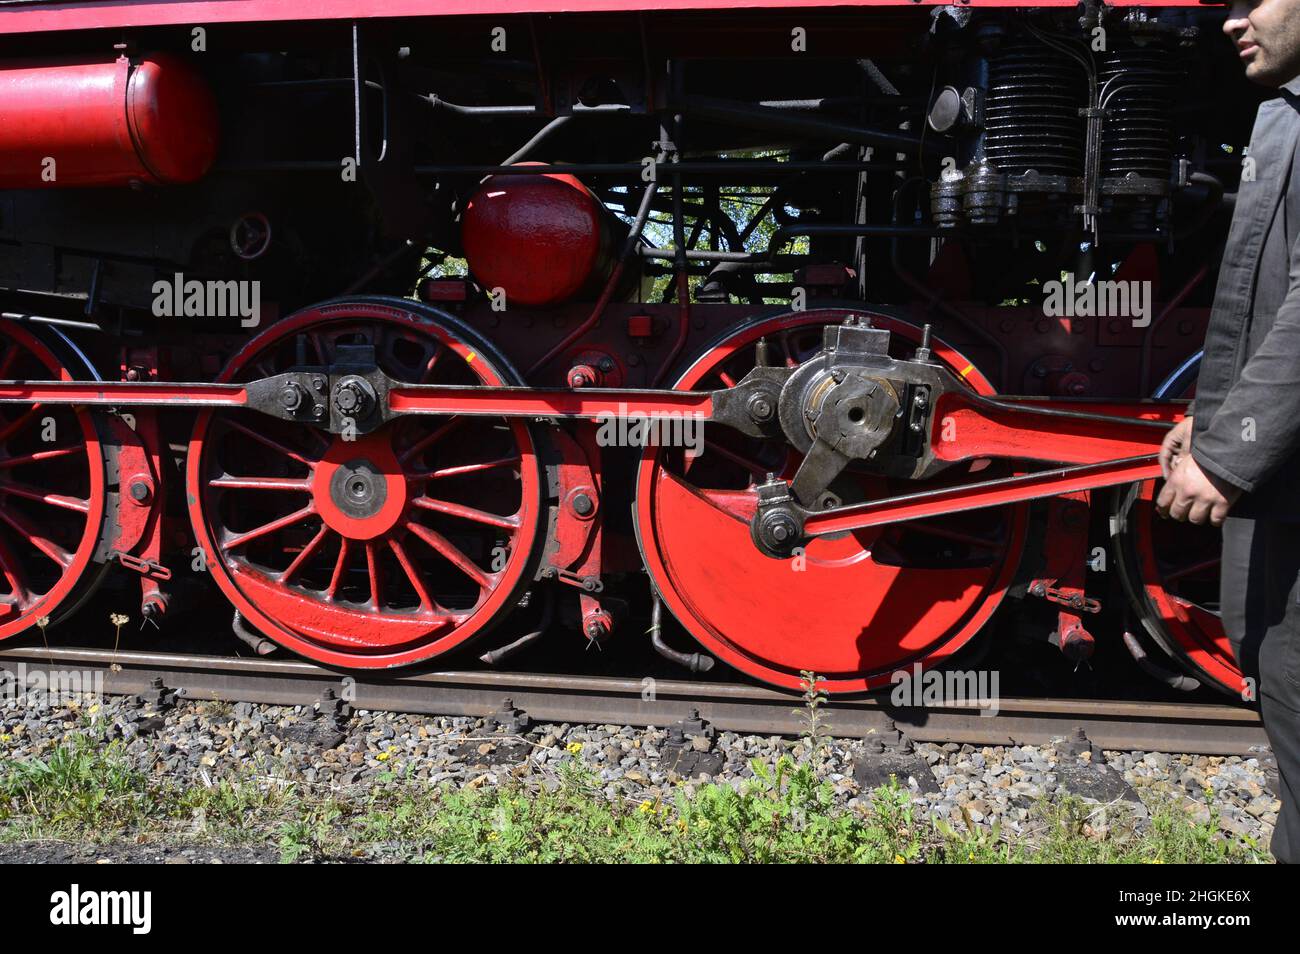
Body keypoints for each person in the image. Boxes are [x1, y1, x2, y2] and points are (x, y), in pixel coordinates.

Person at [1156, 0, 1300, 863]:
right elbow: (1265, 298)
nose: (1230, 19)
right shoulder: (1287, 110)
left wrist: (1230, 448)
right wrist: (1210, 419)